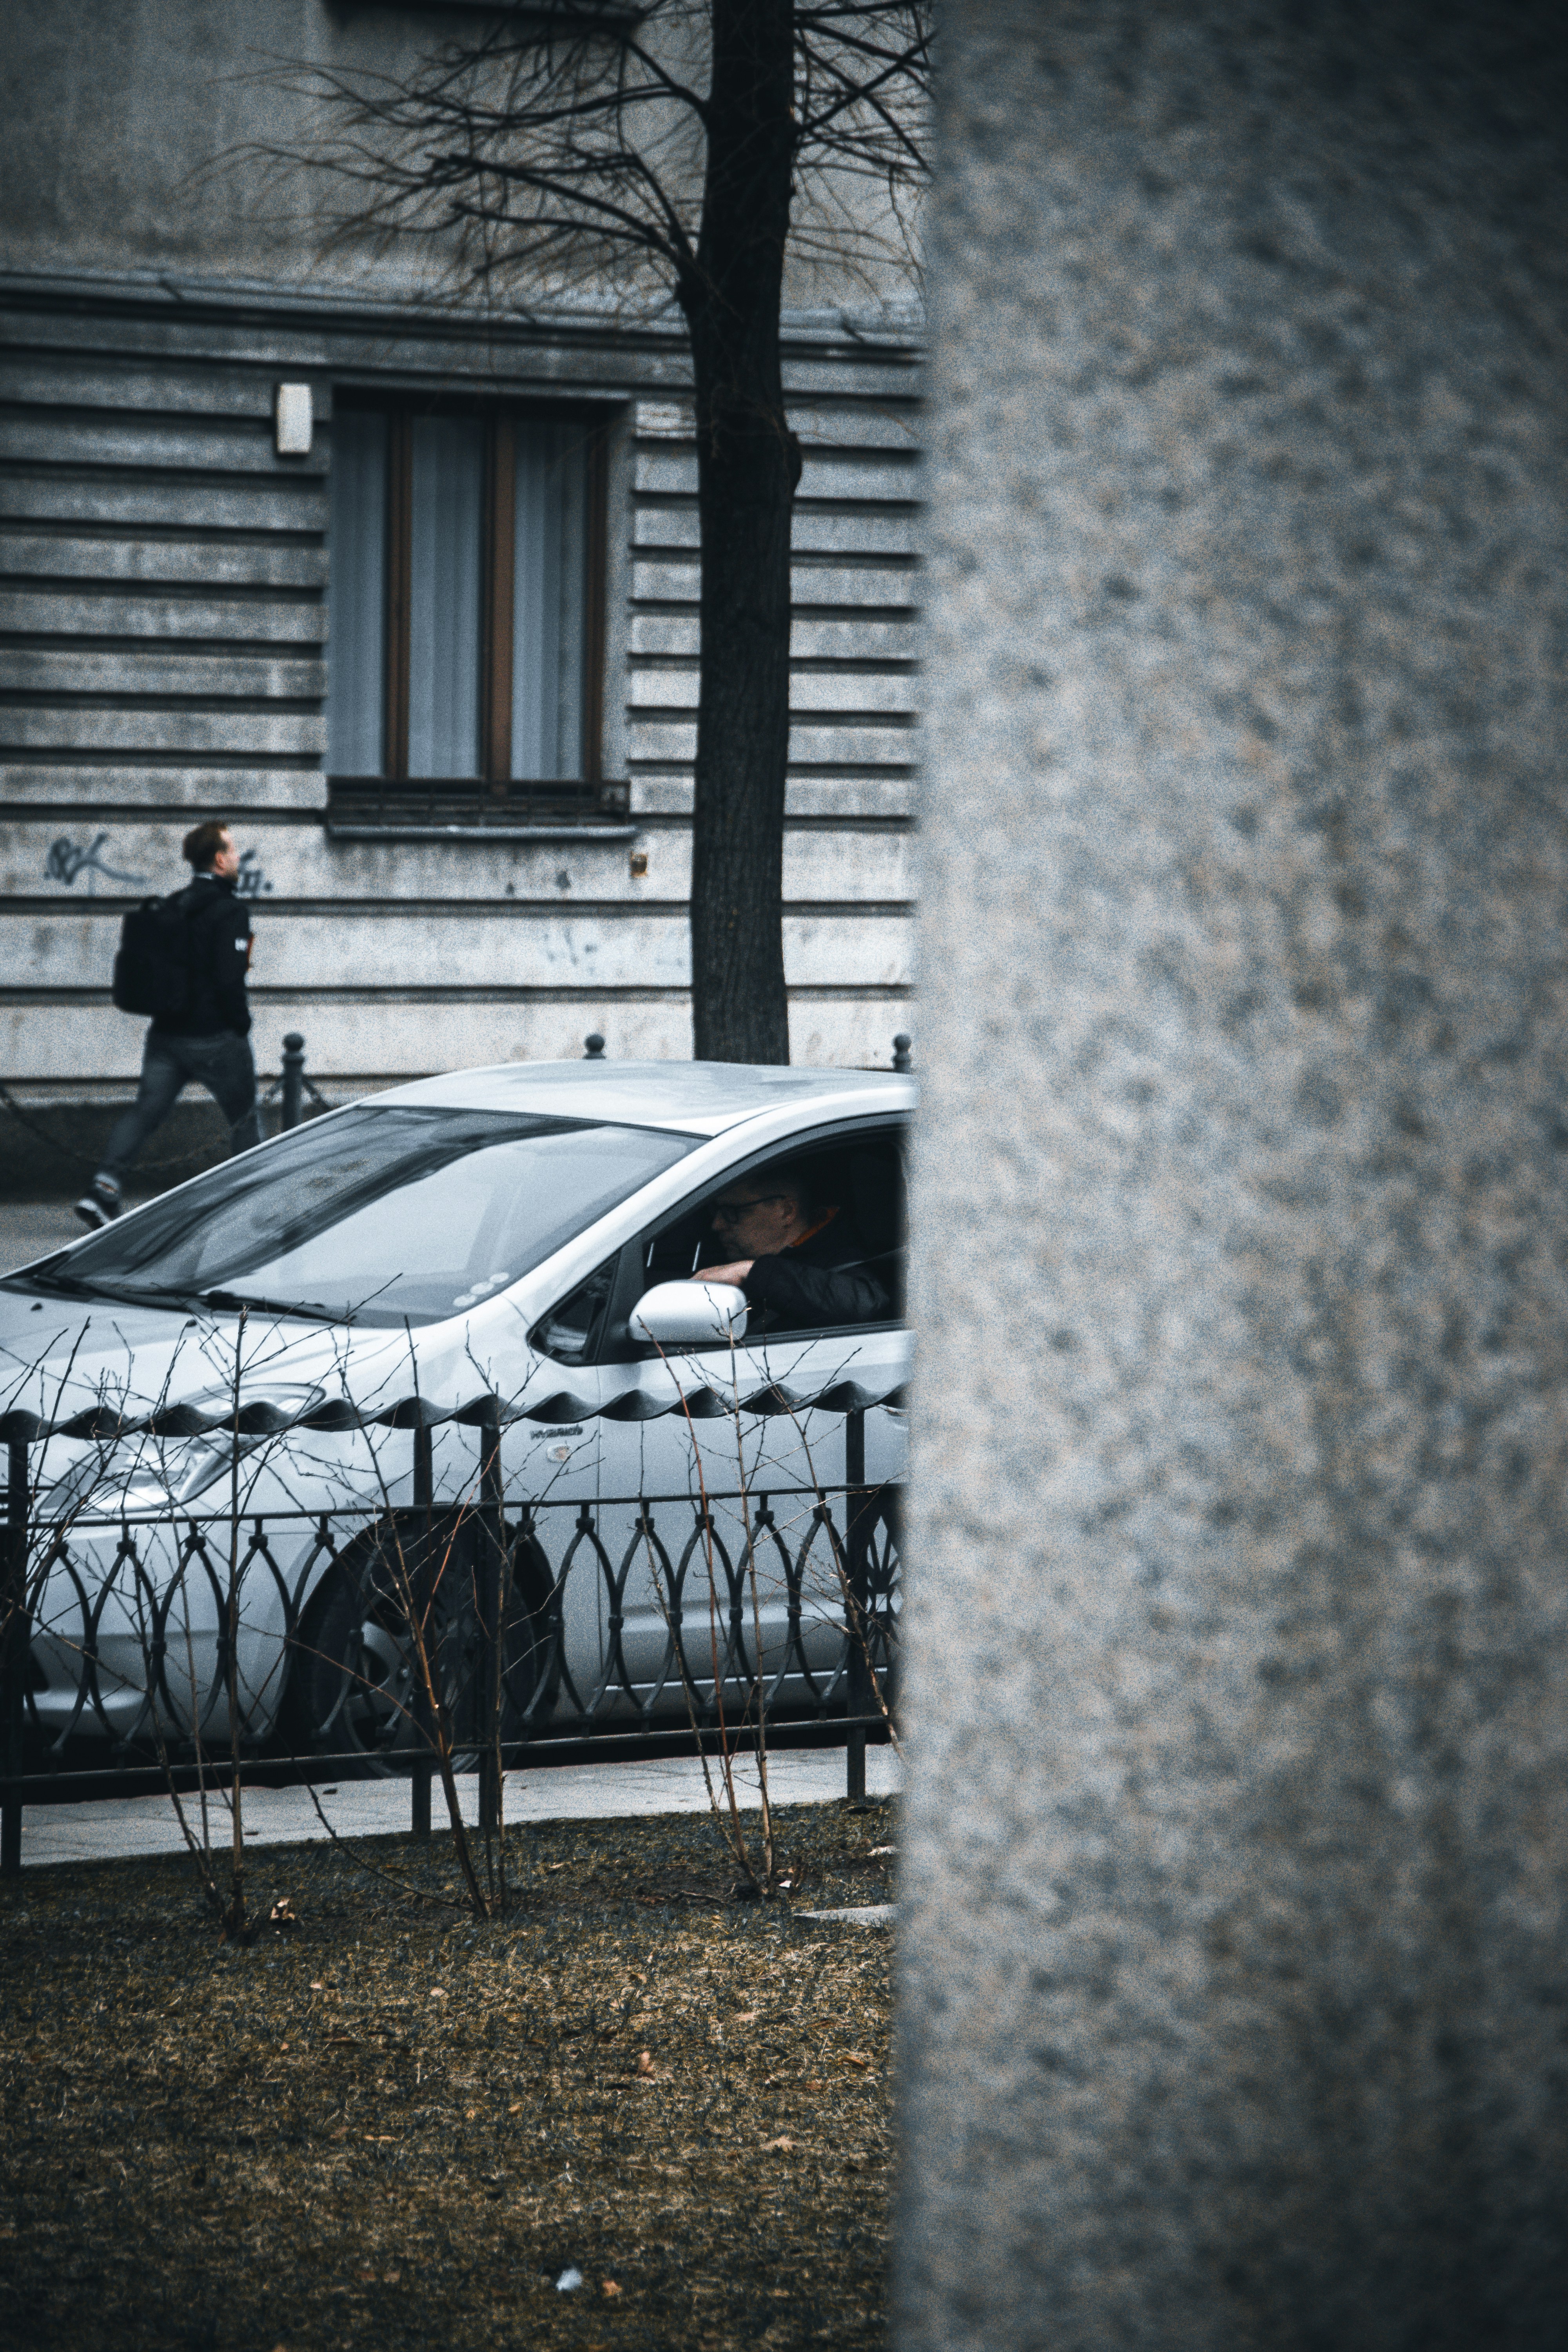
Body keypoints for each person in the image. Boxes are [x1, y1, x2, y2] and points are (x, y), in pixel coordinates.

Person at [74, 820, 261, 1228]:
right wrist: (241, 1027)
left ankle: (103, 1189)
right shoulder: (230, 911)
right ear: (218, 859)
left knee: (145, 1113)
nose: (236, 859)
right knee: (245, 1117)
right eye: (232, 852)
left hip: (166, 1036)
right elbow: (231, 980)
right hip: (215, 1039)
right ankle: (253, 1201)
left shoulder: (174, 904)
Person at [699, 1166, 890, 1329]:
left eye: (732, 1211)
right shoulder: (727, 1257)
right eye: (716, 1211)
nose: (717, 1225)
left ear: (787, 1211)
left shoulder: (844, 1260)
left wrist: (752, 1271)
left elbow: (866, 1305)